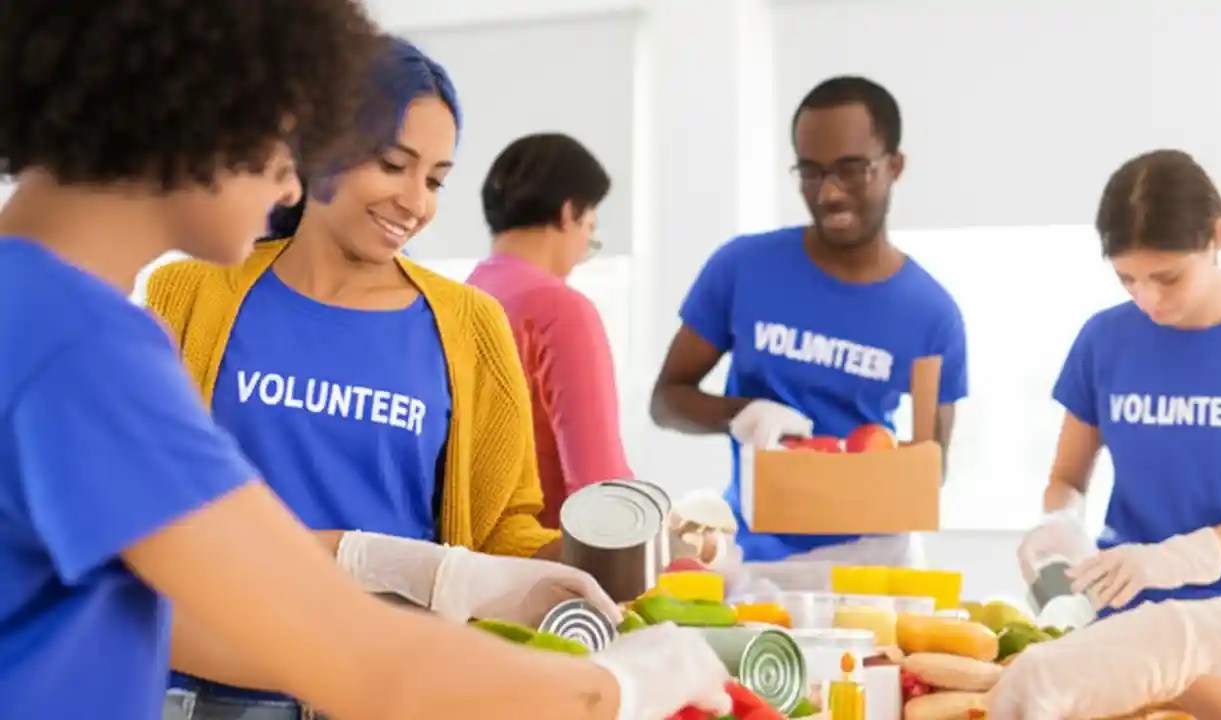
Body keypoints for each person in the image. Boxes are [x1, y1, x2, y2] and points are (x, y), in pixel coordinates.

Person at [0, 4, 734, 719]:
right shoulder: (86, 350)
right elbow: (365, 669)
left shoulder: (29, 310)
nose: (290, 185)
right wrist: (621, 687)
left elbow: (172, 606)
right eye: (284, 141)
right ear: (202, 104)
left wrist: (433, 574)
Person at [139, 39, 631, 718]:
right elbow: (148, 513)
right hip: (203, 689)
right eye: (393, 164)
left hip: (389, 692)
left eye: (434, 179)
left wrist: (609, 545)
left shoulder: (469, 326)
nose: (415, 201)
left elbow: (500, 536)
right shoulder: (191, 292)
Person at [988, 128, 1221, 719]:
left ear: (1218, 235)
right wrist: (1058, 523)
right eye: (1127, 279)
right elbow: (1067, 477)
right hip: (1117, 631)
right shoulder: (1104, 339)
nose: (1148, 299)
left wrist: (1187, 556)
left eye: (1167, 277)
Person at [649, 76, 968, 566]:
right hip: (751, 558)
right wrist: (741, 414)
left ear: (894, 166)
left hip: (873, 562)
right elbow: (666, 401)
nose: (830, 193)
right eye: (812, 172)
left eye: (852, 169)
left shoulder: (931, 314)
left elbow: (932, 466)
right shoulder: (742, 269)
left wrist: (872, 472)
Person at [466, 133, 634, 528]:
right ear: (568, 212)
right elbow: (600, 489)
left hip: (470, 562)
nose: (581, 253)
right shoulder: (562, 310)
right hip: (551, 568)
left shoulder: (462, 299)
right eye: (588, 231)